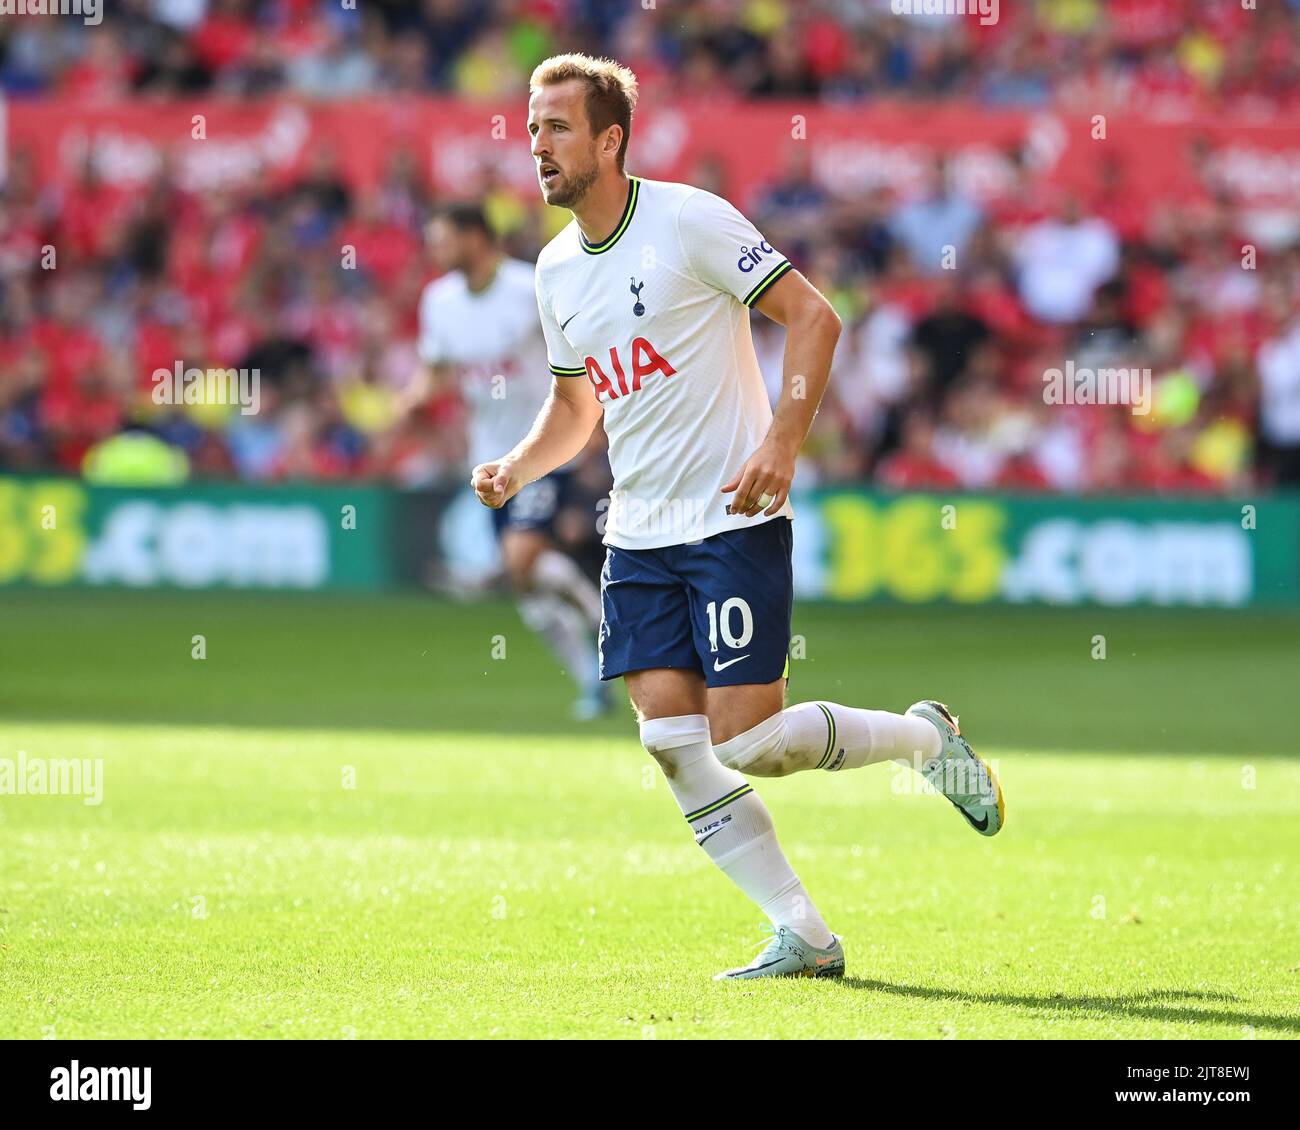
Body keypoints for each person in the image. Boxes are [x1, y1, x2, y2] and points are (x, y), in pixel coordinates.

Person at [471, 54, 1004, 981]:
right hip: (636, 532)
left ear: (610, 138)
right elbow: (576, 406)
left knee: (750, 739)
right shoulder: (556, 270)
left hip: (728, 516)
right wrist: (519, 465)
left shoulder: (687, 220)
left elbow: (815, 318)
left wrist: (784, 441)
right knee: (672, 746)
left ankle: (927, 740)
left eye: (557, 127)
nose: (537, 145)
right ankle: (805, 933)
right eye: (530, 126)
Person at [413, 203, 609, 719]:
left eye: (443, 238)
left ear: (476, 236)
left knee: (520, 560)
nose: (435, 251)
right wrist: (402, 403)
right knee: (527, 588)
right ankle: (592, 675)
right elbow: (433, 372)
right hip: (489, 463)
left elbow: (584, 349)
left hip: (544, 451)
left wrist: (594, 423)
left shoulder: (531, 287)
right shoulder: (438, 301)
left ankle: (600, 616)